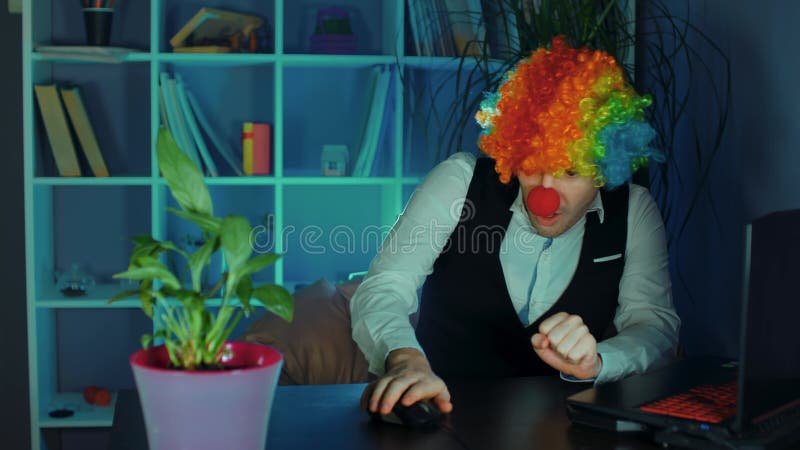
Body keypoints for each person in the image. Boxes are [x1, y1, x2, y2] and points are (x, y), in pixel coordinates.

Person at [350, 36, 681, 417]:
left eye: (571, 173)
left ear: (605, 170)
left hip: (560, 431)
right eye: (533, 164)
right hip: (440, 417)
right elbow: (385, 284)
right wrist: (406, 359)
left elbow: (654, 325)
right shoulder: (459, 182)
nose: (546, 193)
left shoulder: (634, 212)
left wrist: (599, 362)